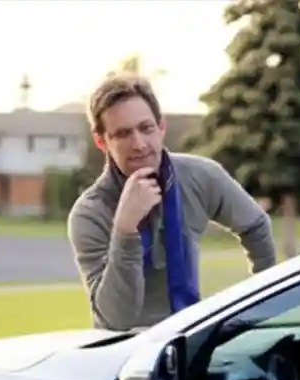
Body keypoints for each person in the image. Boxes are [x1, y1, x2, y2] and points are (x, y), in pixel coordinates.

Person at [67, 74, 277, 330]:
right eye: (123, 134)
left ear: (161, 127)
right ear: (102, 141)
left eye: (146, 128)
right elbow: (116, 320)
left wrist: (261, 308)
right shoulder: (89, 213)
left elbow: (255, 225)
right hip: (123, 352)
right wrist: (125, 229)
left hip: (191, 339)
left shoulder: (202, 176)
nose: (139, 144)